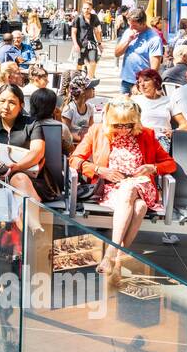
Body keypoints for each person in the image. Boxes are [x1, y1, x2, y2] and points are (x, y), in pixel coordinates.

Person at [70, 100, 176, 278]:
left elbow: (170, 164)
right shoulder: (97, 131)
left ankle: (110, 254)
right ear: (109, 121)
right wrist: (99, 170)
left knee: (129, 189)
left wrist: (152, 168)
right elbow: (74, 159)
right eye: (118, 125)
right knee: (139, 207)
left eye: (129, 125)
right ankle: (120, 259)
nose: (124, 129)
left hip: (141, 185)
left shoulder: (146, 134)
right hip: (110, 188)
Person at [0, 83, 55, 217]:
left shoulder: (31, 124)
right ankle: (34, 228)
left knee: (20, 178)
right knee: (22, 203)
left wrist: (17, 166)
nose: (6, 107)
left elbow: (37, 152)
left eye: (12, 102)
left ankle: (29, 227)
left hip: (33, 180)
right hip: (1, 181)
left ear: (21, 105)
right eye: (1, 101)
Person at [131, 68, 187, 149]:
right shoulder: (135, 100)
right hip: (142, 139)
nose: (142, 84)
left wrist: (174, 132)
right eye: (139, 82)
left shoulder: (168, 100)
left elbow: (185, 125)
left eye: (146, 80)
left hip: (163, 140)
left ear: (156, 82)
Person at [115, 7, 163, 93]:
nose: (131, 27)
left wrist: (141, 84)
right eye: (130, 24)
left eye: (135, 25)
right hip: (126, 81)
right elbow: (117, 53)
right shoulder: (128, 32)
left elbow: (154, 68)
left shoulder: (154, 38)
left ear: (143, 23)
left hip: (142, 84)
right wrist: (128, 40)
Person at [61, 73, 97, 144]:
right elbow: (64, 133)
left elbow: (91, 128)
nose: (94, 89)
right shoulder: (69, 110)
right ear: (82, 92)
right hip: (72, 144)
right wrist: (82, 138)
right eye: (91, 87)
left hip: (85, 141)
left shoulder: (90, 108)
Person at [72, 2, 103, 79]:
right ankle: (77, 80)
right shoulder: (78, 18)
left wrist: (99, 43)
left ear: (91, 9)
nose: (86, 10)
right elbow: (73, 32)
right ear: (82, 9)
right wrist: (75, 44)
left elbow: (96, 31)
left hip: (91, 43)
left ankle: (90, 80)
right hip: (80, 44)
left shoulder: (94, 17)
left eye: (88, 8)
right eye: (84, 8)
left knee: (93, 62)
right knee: (80, 63)